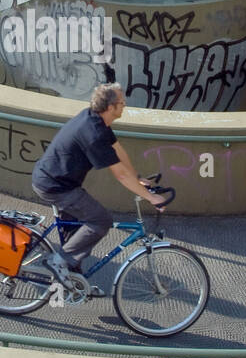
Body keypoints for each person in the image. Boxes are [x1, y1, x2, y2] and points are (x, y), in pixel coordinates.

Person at [31, 84, 168, 285]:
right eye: (122, 103)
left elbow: (117, 150)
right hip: (56, 186)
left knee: (77, 231)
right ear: (111, 107)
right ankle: (58, 261)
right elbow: (120, 175)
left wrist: (137, 176)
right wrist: (152, 197)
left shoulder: (96, 120)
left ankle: (75, 281)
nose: (125, 106)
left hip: (58, 181)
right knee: (100, 220)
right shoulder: (93, 134)